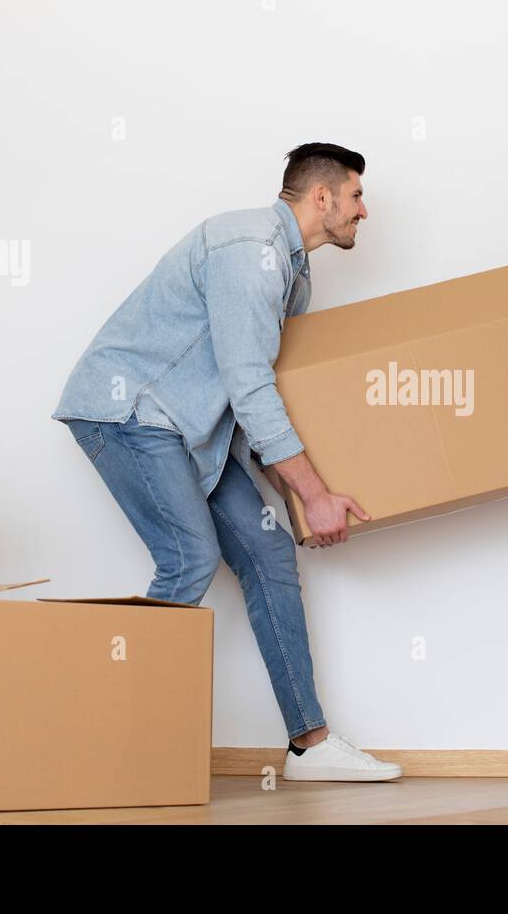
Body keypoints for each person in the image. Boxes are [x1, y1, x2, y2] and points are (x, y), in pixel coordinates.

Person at [53, 143, 400, 782]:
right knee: (189, 556)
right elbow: (249, 384)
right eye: (356, 196)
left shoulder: (293, 275)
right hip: (132, 411)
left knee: (268, 553)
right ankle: (115, 746)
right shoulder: (250, 251)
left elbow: (245, 404)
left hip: (193, 432)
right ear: (322, 198)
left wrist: (296, 496)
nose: (364, 211)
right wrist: (314, 493)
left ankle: (310, 745)